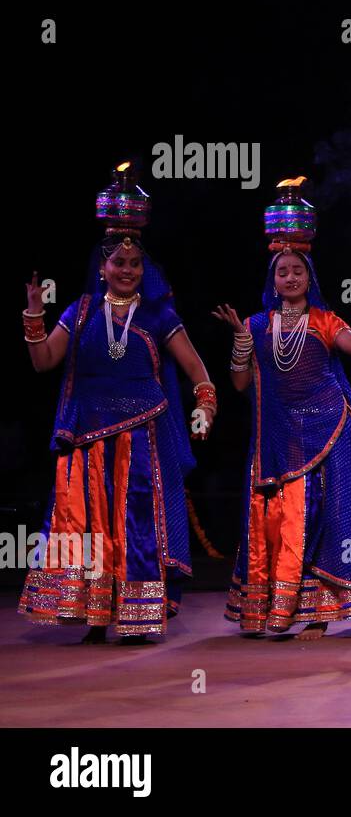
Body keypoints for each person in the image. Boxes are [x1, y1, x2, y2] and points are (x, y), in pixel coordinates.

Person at [19, 162, 216, 642]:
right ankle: (93, 616)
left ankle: (134, 614)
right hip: (85, 440)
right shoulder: (80, 311)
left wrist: (204, 407)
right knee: (87, 528)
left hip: (140, 442)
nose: (126, 270)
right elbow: (44, 361)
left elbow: (197, 371)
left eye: (133, 264)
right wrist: (33, 314)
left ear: (143, 268)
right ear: (102, 265)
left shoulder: (157, 313)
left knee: (134, 527)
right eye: (118, 264)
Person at [213, 177, 351, 639]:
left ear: (309, 277)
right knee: (277, 520)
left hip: (327, 431)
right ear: (272, 280)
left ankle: (319, 612)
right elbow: (240, 385)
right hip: (277, 438)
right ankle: (269, 610)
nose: (290, 277)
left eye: (298, 270)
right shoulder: (256, 325)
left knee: (320, 516)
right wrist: (239, 341)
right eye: (282, 271)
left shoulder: (323, 320)